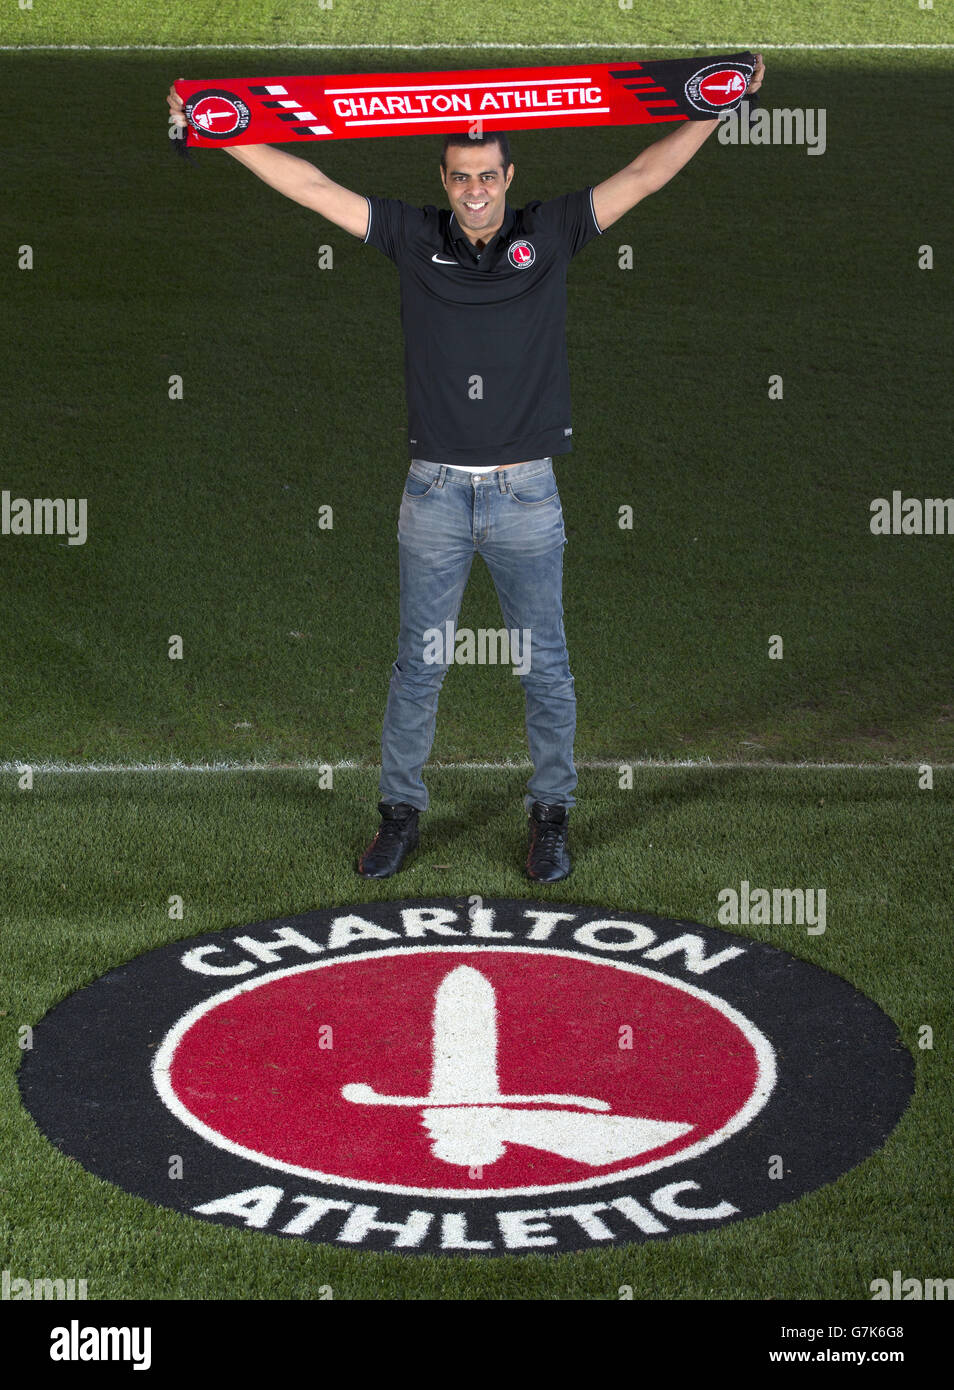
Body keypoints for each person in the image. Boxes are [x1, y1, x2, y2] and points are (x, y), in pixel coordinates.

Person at [167, 55, 765, 884]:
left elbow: (645, 173)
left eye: (487, 175)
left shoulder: (552, 231)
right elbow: (311, 185)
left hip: (527, 495)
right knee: (419, 663)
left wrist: (718, 105)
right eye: (460, 177)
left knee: (544, 664)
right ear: (442, 180)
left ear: (509, 175)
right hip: (435, 495)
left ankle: (551, 817)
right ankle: (399, 818)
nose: (475, 190)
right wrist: (220, 129)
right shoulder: (413, 237)